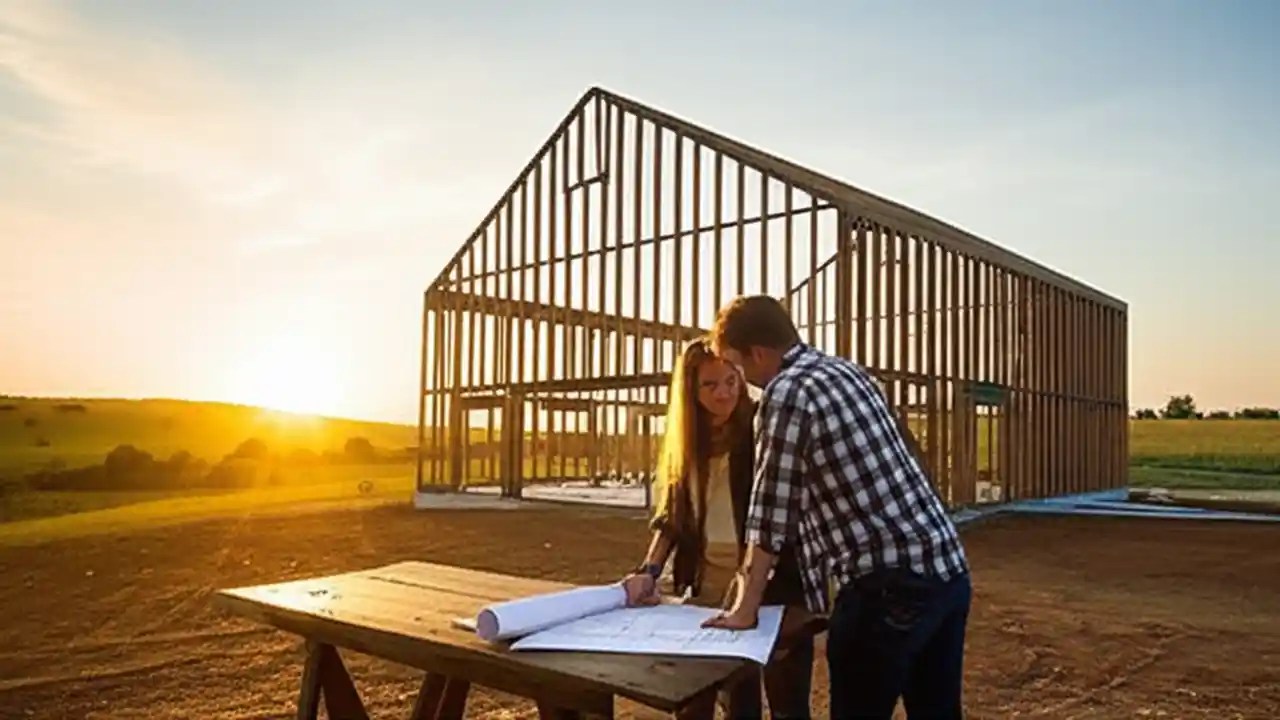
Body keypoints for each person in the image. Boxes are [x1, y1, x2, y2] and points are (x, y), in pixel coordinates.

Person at [702, 295, 972, 719]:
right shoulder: (847, 371)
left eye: (738, 367)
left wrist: (743, 609)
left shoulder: (786, 392)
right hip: (947, 569)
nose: (743, 381)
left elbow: (771, 510)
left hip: (887, 588)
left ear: (757, 353)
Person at [620, 337, 813, 719]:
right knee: (711, 704)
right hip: (705, 588)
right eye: (710, 385)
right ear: (690, 390)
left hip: (770, 586)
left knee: (788, 703)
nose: (723, 393)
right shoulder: (686, 443)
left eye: (731, 380)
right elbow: (673, 517)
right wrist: (650, 570)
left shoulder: (764, 428)